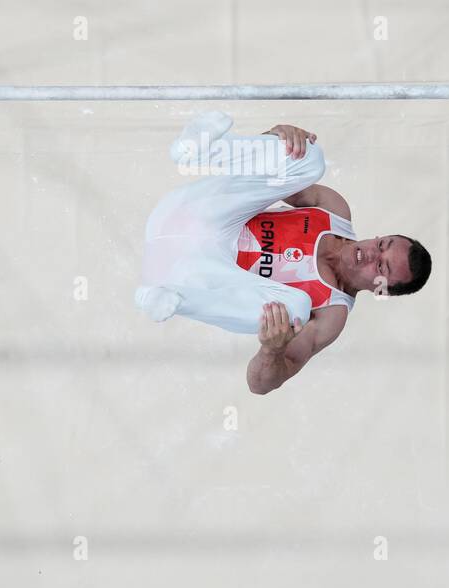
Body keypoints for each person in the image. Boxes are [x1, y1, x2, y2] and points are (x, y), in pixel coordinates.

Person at [136, 113, 432, 393]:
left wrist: (272, 349)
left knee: (297, 310)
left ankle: (171, 298)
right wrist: (279, 137)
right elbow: (268, 172)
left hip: (182, 273)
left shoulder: (331, 315)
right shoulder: (333, 211)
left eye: (382, 268)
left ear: (381, 291)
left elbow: (260, 385)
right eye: (381, 245)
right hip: (189, 214)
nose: (370, 255)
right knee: (311, 159)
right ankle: (200, 151)